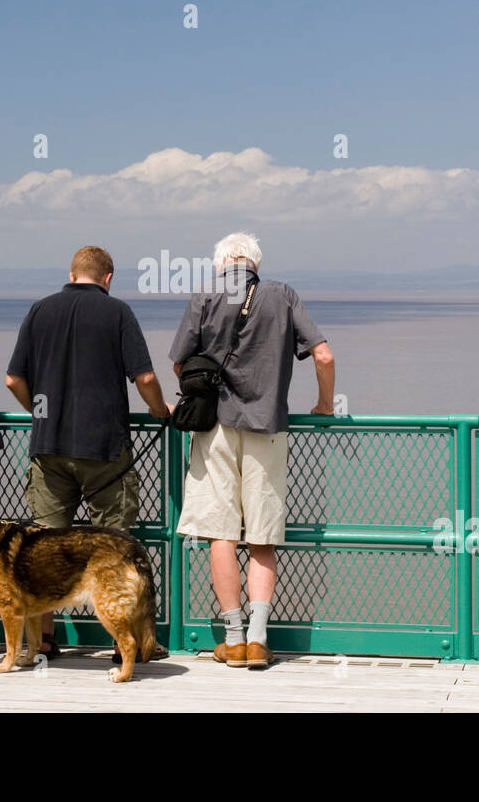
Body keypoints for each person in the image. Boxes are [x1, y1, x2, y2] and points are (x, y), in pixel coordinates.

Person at [171, 232, 335, 669]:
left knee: (221, 532)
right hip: (268, 426)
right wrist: (322, 404)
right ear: (255, 264)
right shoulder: (282, 295)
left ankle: (234, 637)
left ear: (221, 263)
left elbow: (179, 364)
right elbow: (323, 356)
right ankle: (261, 640)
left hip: (215, 430)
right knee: (263, 533)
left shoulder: (205, 295)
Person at [5, 246, 171, 659]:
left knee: (43, 547)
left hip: (49, 448)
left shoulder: (39, 311)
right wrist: (158, 410)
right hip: (105, 449)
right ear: (108, 278)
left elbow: (13, 379)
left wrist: (40, 413)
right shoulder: (117, 312)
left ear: (71, 273)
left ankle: (44, 641)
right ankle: (125, 645)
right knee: (113, 544)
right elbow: (145, 376)